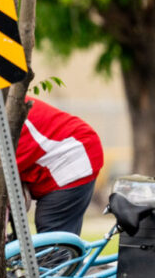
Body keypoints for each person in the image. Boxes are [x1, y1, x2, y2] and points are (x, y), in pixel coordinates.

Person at [15, 96, 104, 236]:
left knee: (52, 233)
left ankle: (61, 257)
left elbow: (0, 173)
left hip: (73, 159)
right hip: (71, 153)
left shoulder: (13, 118)